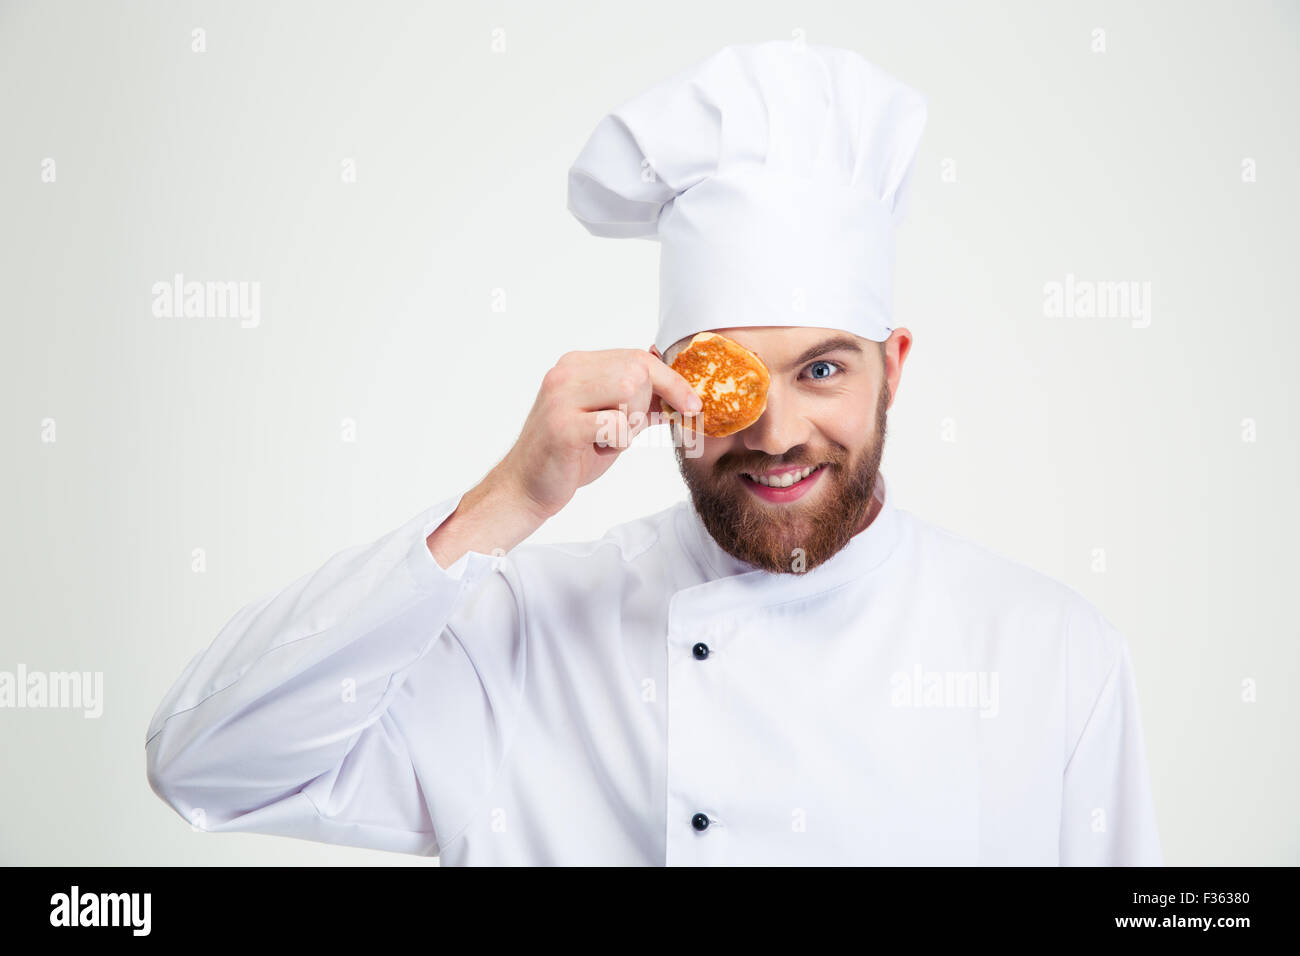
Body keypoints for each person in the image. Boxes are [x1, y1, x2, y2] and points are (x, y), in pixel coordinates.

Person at [145, 40, 1162, 866]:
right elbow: (207, 762)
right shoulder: (526, 639)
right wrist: (504, 502)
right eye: (728, 378)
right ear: (661, 376)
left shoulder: (1049, 655)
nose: (772, 433)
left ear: (891, 368)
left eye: (820, 371)